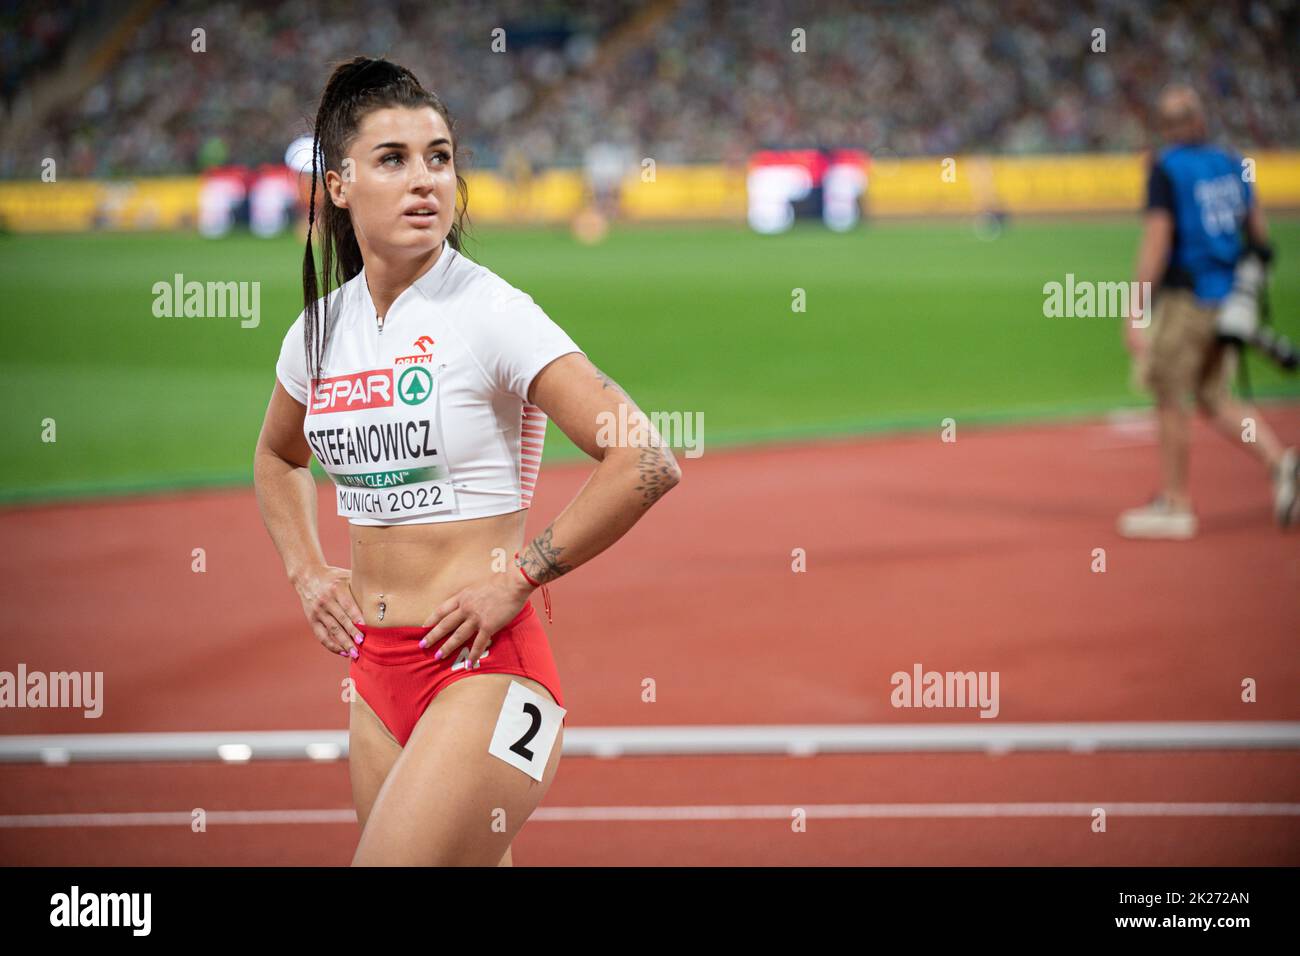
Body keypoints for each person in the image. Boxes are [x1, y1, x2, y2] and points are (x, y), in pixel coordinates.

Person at [253, 57, 682, 865]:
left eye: (440, 157)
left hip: (488, 672)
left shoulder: (491, 312)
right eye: (394, 159)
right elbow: (278, 458)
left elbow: (646, 459)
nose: (425, 181)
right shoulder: (319, 331)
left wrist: (519, 577)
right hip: (375, 681)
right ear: (338, 186)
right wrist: (306, 572)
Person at [1119, 84, 1297, 539]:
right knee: (1214, 397)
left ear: (1169, 128)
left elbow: (1156, 243)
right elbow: (1259, 235)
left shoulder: (1168, 169)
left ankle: (1176, 503)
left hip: (1187, 299)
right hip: (1230, 298)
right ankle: (1282, 464)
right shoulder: (1232, 163)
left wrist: (1135, 309)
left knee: (1169, 394)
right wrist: (1247, 292)